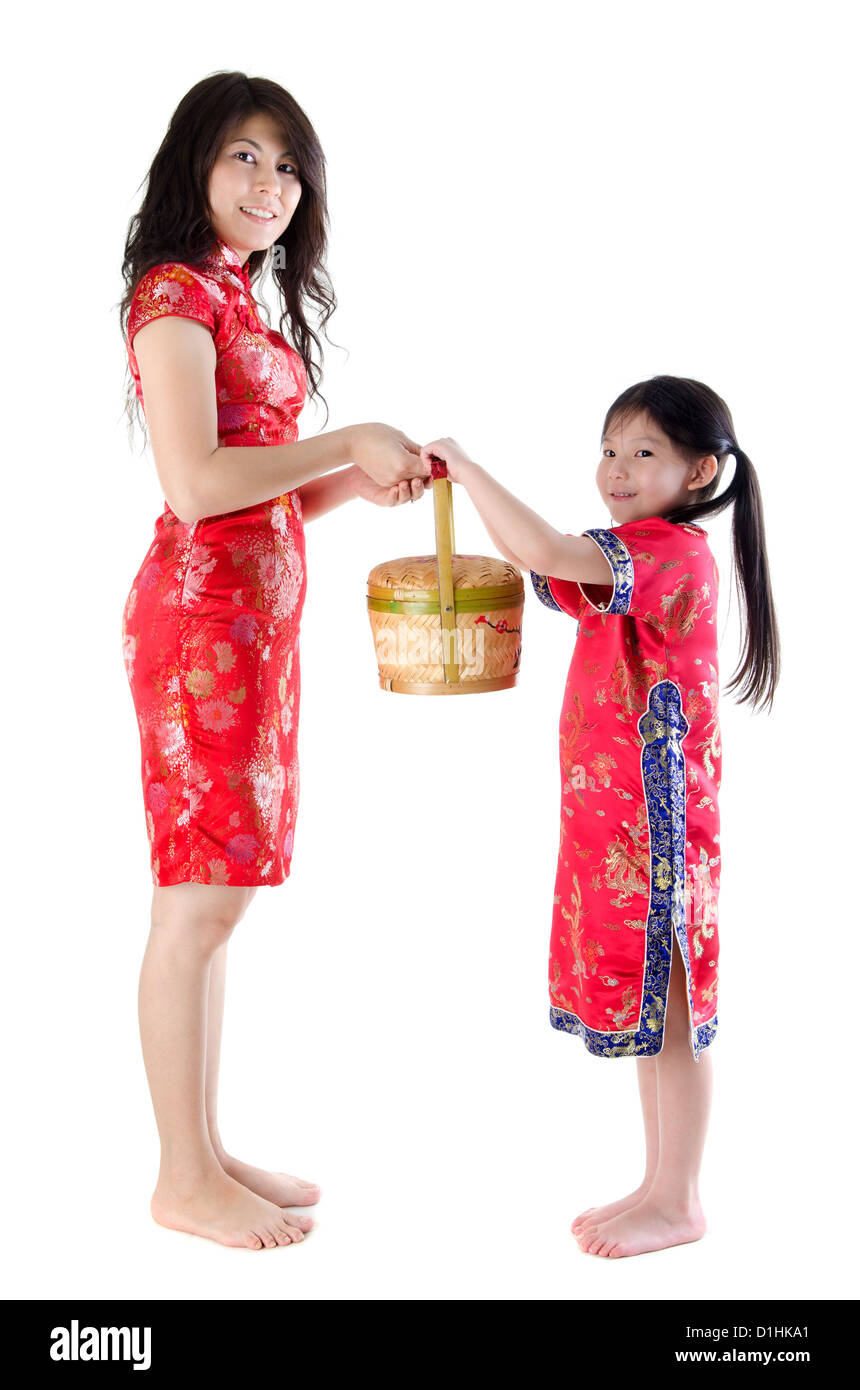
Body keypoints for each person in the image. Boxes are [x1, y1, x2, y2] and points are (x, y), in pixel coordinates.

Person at [119, 72, 432, 1252]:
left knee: (221, 902)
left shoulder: (240, 301)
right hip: (201, 630)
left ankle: (200, 1148)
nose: (269, 185)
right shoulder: (172, 297)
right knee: (196, 902)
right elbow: (197, 487)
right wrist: (336, 438)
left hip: (254, 629)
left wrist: (363, 469)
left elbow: (279, 499)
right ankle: (179, 1175)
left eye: (288, 166)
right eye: (245, 158)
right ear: (196, 163)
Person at [421, 375, 780, 1258]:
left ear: (701, 472)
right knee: (653, 1008)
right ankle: (660, 1184)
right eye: (610, 450)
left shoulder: (668, 552)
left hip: (656, 819)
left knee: (675, 1006)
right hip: (614, 816)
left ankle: (680, 1199)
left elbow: (542, 545)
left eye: (644, 452)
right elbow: (546, 562)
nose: (616, 469)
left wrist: (465, 468)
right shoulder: (633, 546)